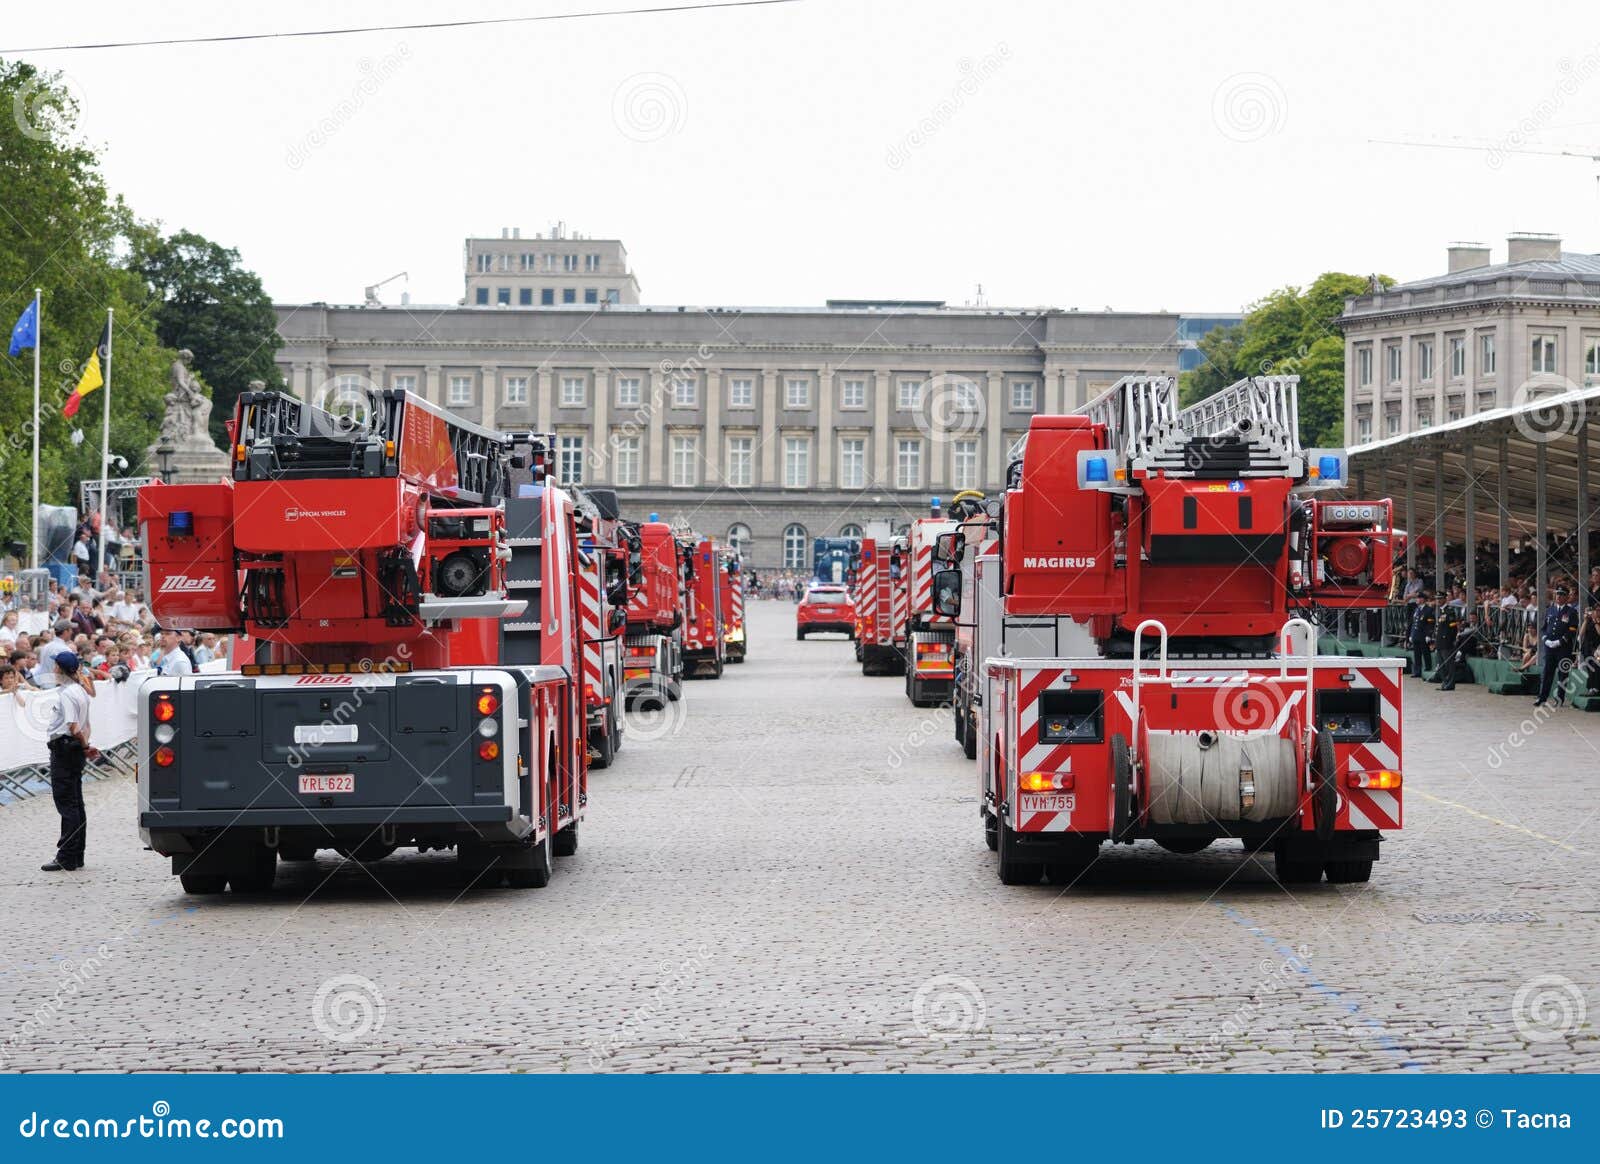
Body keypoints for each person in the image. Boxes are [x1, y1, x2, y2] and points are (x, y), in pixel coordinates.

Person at [42, 651, 94, 872]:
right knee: (76, 802)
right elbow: (86, 725)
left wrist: (83, 745)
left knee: (67, 803)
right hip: (73, 749)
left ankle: (66, 855)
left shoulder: (67, 693)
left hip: (65, 748)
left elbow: (73, 726)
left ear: (60, 669)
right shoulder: (80, 691)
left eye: (55, 666)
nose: (53, 670)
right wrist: (86, 745)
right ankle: (77, 853)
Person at [1534, 583, 1580, 708]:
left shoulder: (1571, 611)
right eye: (1557, 594)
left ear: (1566, 597)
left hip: (1563, 648)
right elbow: (1544, 628)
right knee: (1547, 673)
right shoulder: (1550, 610)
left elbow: (1572, 628)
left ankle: (1559, 698)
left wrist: (1561, 641)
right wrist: (1545, 639)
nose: (1559, 597)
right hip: (1549, 647)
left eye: (1562, 595)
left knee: (1562, 674)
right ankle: (1542, 698)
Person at [34, 619, 76, 689]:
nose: (72, 632)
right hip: (56, 688)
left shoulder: (46, 647)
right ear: (66, 631)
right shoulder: (64, 649)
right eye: (71, 630)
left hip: (44, 686)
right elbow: (71, 671)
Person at [1408, 591, 1436, 679]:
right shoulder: (1417, 609)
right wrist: (1411, 635)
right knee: (1417, 654)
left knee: (1425, 653)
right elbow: (1414, 623)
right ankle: (1417, 671)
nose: (1417, 600)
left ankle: (1428, 668)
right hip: (1416, 634)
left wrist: (1428, 634)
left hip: (1423, 635)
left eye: (1419, 598)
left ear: (1423, 599)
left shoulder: (1428, 609)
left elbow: (1430, 624)